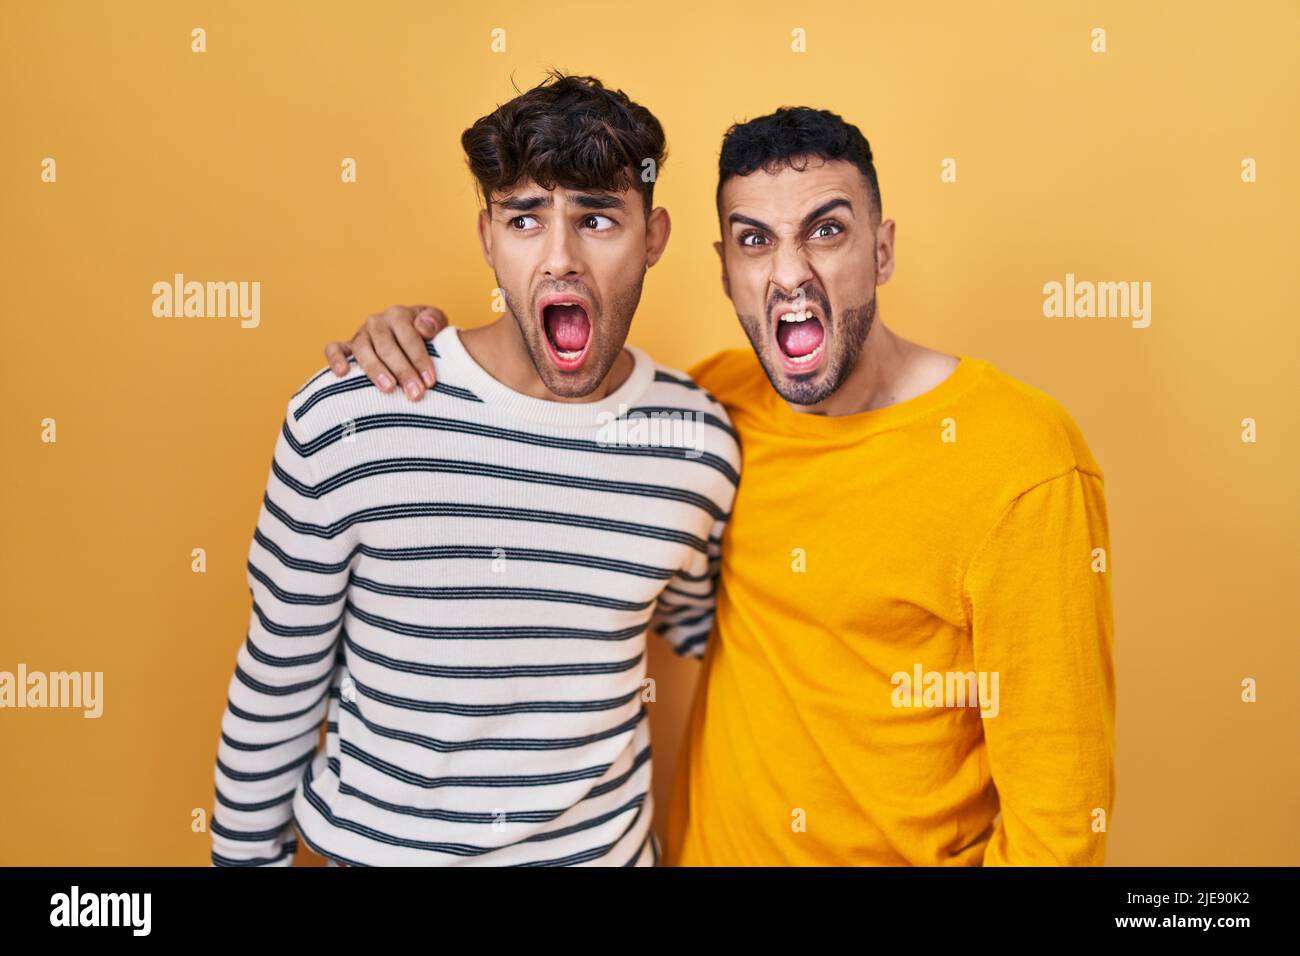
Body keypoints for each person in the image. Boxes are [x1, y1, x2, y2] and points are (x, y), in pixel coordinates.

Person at [330, 105, 1117, 866]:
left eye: (827, 231)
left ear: (881, 251)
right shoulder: (711, 413)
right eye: (754, 240)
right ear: (723, 269)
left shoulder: (1024, 465)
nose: (789, 274)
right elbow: (554, 468)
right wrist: (414, 351)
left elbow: (1061, 834)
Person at [210, 73, 740, 866]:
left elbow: (715, 628)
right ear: (488, 237)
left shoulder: (696, 444)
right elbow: (276, 688)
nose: (560, 259)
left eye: (597, 218)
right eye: (525, 218)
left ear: (654, 235)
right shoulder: (354, 417)